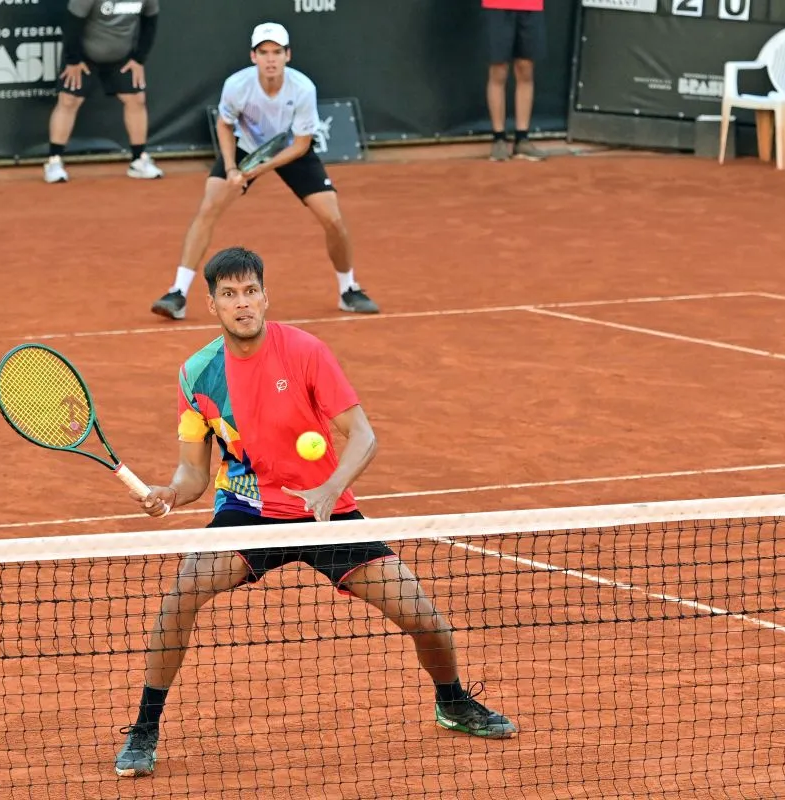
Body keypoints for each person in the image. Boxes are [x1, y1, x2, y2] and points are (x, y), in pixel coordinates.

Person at [115, 246, 517, 778]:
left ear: (265, 295)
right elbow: (193, 471)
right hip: (250, 512)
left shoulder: (305, 351)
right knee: (182, 596)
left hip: (326, 511)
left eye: (251, 291)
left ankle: (452, 700)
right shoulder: (197, 374)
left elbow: (363, 435)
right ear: (211, 304)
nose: (243, 304)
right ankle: (144, 729)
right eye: (229, 295)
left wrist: (330, 487)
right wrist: (169, 491)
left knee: (428, 622)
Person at [149, 22, 379, 321]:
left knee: (333, 219)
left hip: (289, 150)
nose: (271, 58)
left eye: (277, 52)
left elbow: (301, 144)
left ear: (288, 55)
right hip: (245, 147)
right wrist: (232, 167)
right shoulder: (237, 86)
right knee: (208, 207)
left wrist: (257, 168)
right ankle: (177, 293)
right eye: (264, 52)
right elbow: (224, 124)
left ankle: (349, 290)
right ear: (253, 56)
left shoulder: (303, 89)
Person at [44, 0, 164, 183]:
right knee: (69, 100)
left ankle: (138, 160)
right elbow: (72, 23)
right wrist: (73, 60)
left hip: (121, 57)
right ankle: (54, 162)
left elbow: (150, 22)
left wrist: (139, 59)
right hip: (83, 55)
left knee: (136, 99)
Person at [483, 0, 547, 162]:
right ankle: (498, 139)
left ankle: (522, 139)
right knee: (499, 70)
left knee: (525, 68)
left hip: (530, 6)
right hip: (497, 6)